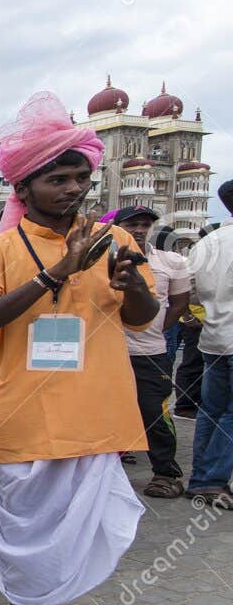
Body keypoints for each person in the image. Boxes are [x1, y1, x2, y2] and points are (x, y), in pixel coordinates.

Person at [0, 91, 156, 605]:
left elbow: (142, 320)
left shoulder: (115, 240)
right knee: (23, 515)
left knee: (75, 523)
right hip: (22, 409)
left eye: (80, 177)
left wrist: (136, 287)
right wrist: (59, 271)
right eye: (58, 179)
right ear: (23, 189)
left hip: (94, 405)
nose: (74, 188)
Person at [107, 207, 190, 499]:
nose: (140, 230)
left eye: (145, 225)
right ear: (118, 226)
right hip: (106, 351)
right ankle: (104, 474)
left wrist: (152, 328)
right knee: (105, 411)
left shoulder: (172, 262)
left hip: (150, 351)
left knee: (154, 410)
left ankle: (166, 472)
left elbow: (180, 302)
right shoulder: (100, 259)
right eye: (132, 224)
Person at [186, 203, 233, 508]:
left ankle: (202, 479)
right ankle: (212, 480)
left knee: (211, 410)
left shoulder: (206, 242)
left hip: (214, 338)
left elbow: (188, 291)